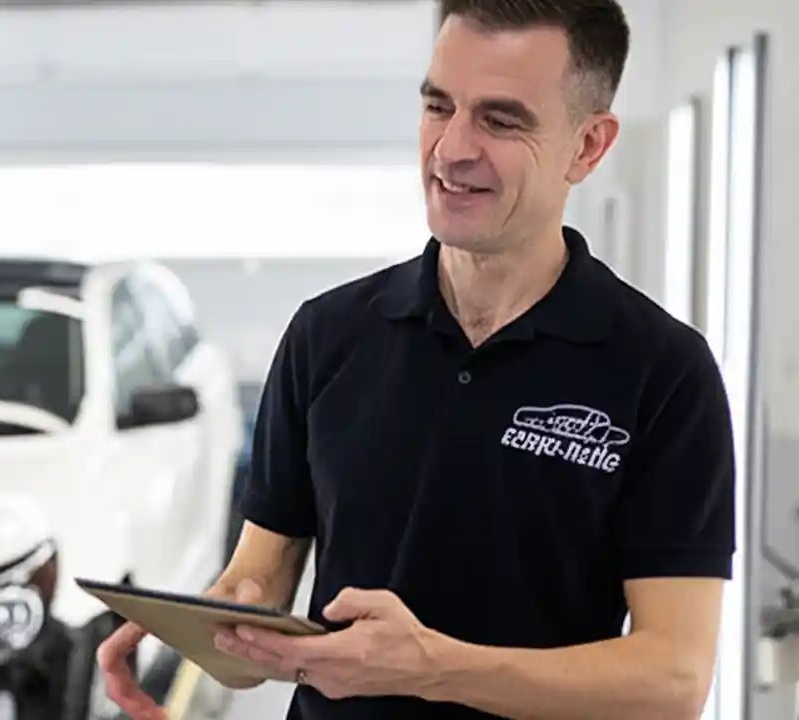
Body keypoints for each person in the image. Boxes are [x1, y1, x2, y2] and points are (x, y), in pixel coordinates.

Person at [96, 0, 736, 717]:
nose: (451, 149)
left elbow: (672, 680)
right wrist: (201, 634)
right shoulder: (327, 336)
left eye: (500, 120)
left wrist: (432, 669)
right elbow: (258, 583)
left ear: (587, 147)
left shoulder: (663, 372)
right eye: (438, 106)